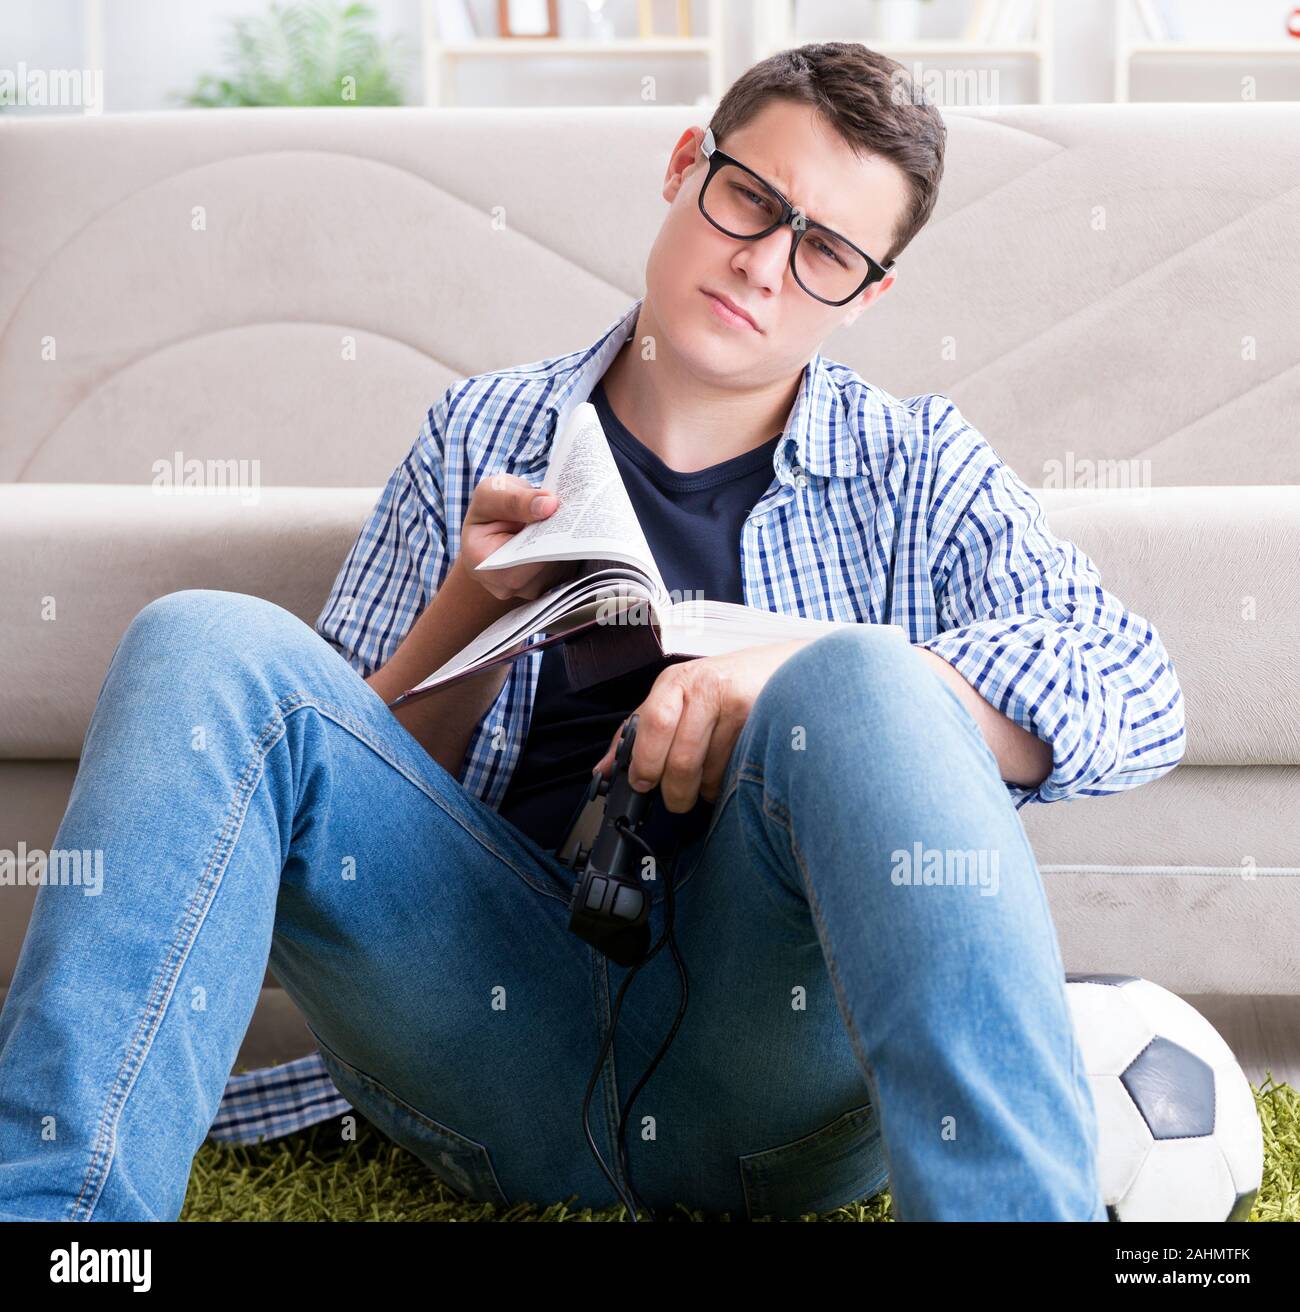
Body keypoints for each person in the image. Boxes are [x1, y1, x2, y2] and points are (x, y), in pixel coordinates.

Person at [0, 43, 1185, 1223]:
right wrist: (469, 613)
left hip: (763, 1060)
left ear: (866, 292)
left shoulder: (920, 466)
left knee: (866, 682)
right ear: (686, 165)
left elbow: (1137, 686)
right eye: (750, 201)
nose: (764, 266)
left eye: (822, 249)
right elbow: (327, 798)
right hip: (489, 1030)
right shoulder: (481, 429)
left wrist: (797, 676)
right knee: (202, 639)